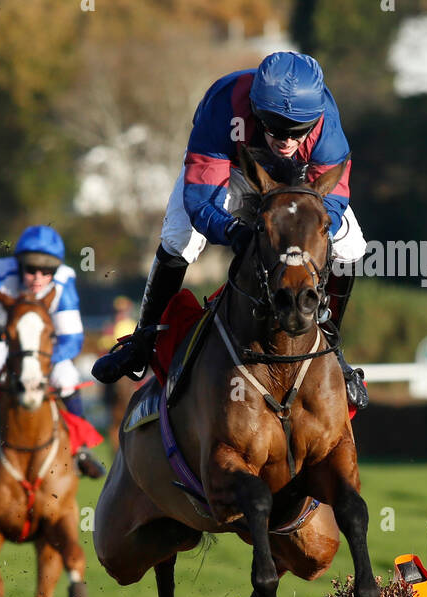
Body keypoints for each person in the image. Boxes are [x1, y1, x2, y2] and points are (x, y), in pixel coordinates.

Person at [92, 51, 370, 409]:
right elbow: (200, 201)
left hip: (298, 185)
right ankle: (142, 342)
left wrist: (303, 229)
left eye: (297, 131)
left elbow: (332, 202)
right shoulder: (224, 104)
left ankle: (332, 343)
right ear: (256, 110)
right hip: (232, 170)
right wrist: (237, 232)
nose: (285, 140)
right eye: (273, 126)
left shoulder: (328, 127)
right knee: (179, 237)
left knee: (351, 246)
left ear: (314, 120)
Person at [0, 225, 105, 478]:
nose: (38, 277)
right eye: (30, 269)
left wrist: (41, 363)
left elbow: (72, 340)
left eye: (47, 270)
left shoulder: (64, 281)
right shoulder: (0, 272)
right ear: (18, 264)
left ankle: (80, 450)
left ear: (56, 269)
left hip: (41, 352)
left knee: (67, 377)